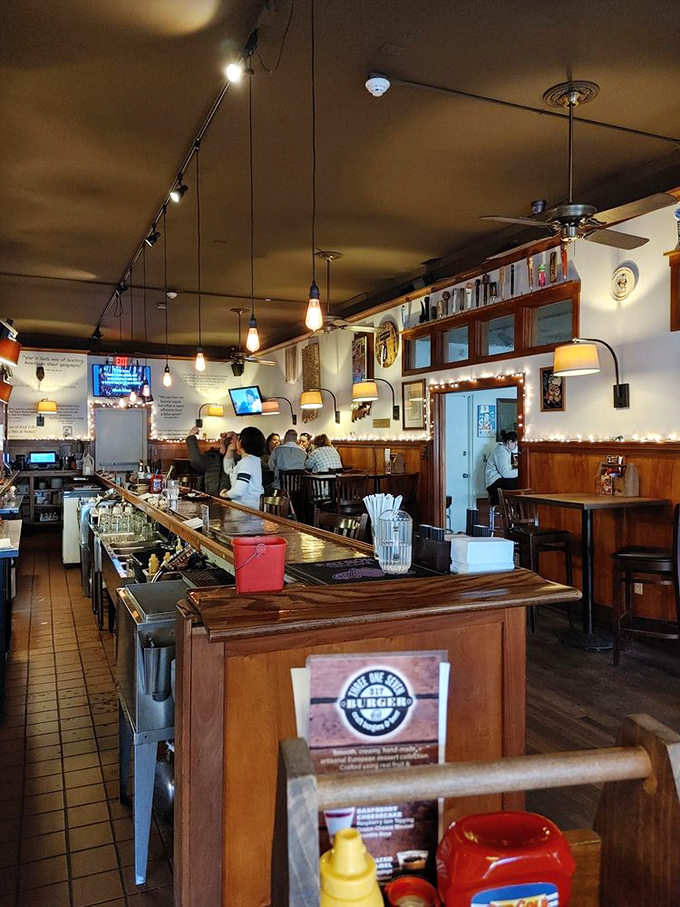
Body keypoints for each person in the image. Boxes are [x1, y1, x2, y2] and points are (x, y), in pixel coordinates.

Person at [221, 427, 266, 509]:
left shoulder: (246, 462)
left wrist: (226, 494)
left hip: (246, 509)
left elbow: (238, 491)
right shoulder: (253, 460)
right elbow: (229, 469)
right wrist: (230, 449)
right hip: (250, 507)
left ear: (240, 442)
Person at [185, 426, 230, 496]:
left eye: (230, 439)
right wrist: (191, 438)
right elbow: (196, 460)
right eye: (224, 438)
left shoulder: (238, 460)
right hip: (211, 497)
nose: (227, 440)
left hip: (229, 499)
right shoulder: (211, 457)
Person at [485, 430, 519, 505]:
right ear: (510, 442)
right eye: (515, 443)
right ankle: (517, 508)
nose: (516, 446)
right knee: (520, 483)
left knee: (519, 483)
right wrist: (520, 472)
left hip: (497, 481)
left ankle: (516, 507)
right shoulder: (501, 451)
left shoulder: (505, 451)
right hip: (494, 483)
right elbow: (505, 473)